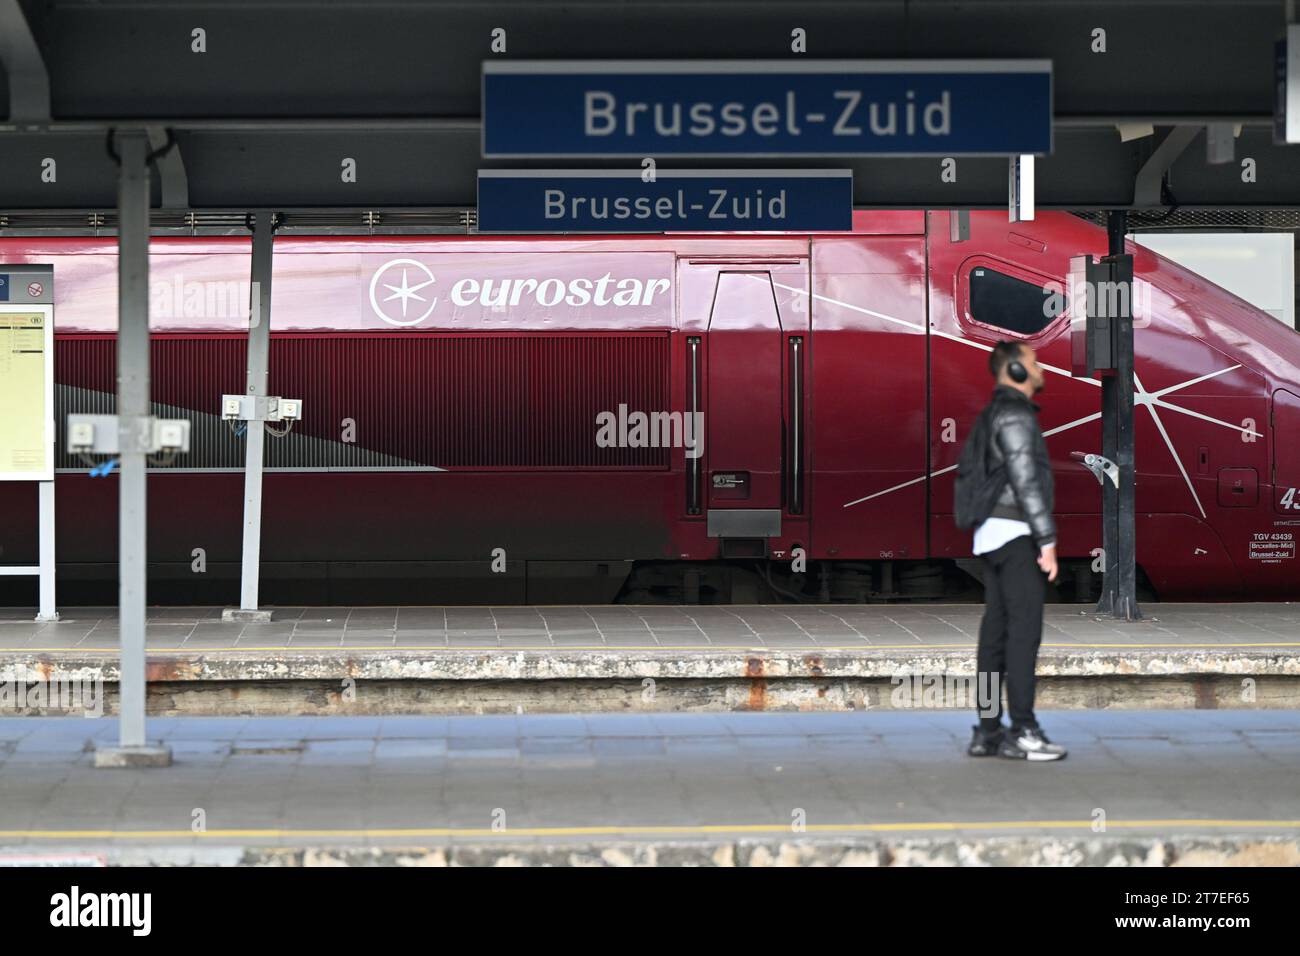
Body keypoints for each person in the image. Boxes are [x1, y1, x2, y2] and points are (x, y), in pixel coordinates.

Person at [966, 341, 1068, 762]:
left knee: (995, 637)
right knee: (1023, 637)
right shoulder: (1015, 414)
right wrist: (1046, 540)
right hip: (1015, 533)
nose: (1041, 369)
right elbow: (1025, 480)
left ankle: (988, 730)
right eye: (1034, 363)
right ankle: (1023, 730)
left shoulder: (994, 412)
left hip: (991, 533)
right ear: (1017, 370)